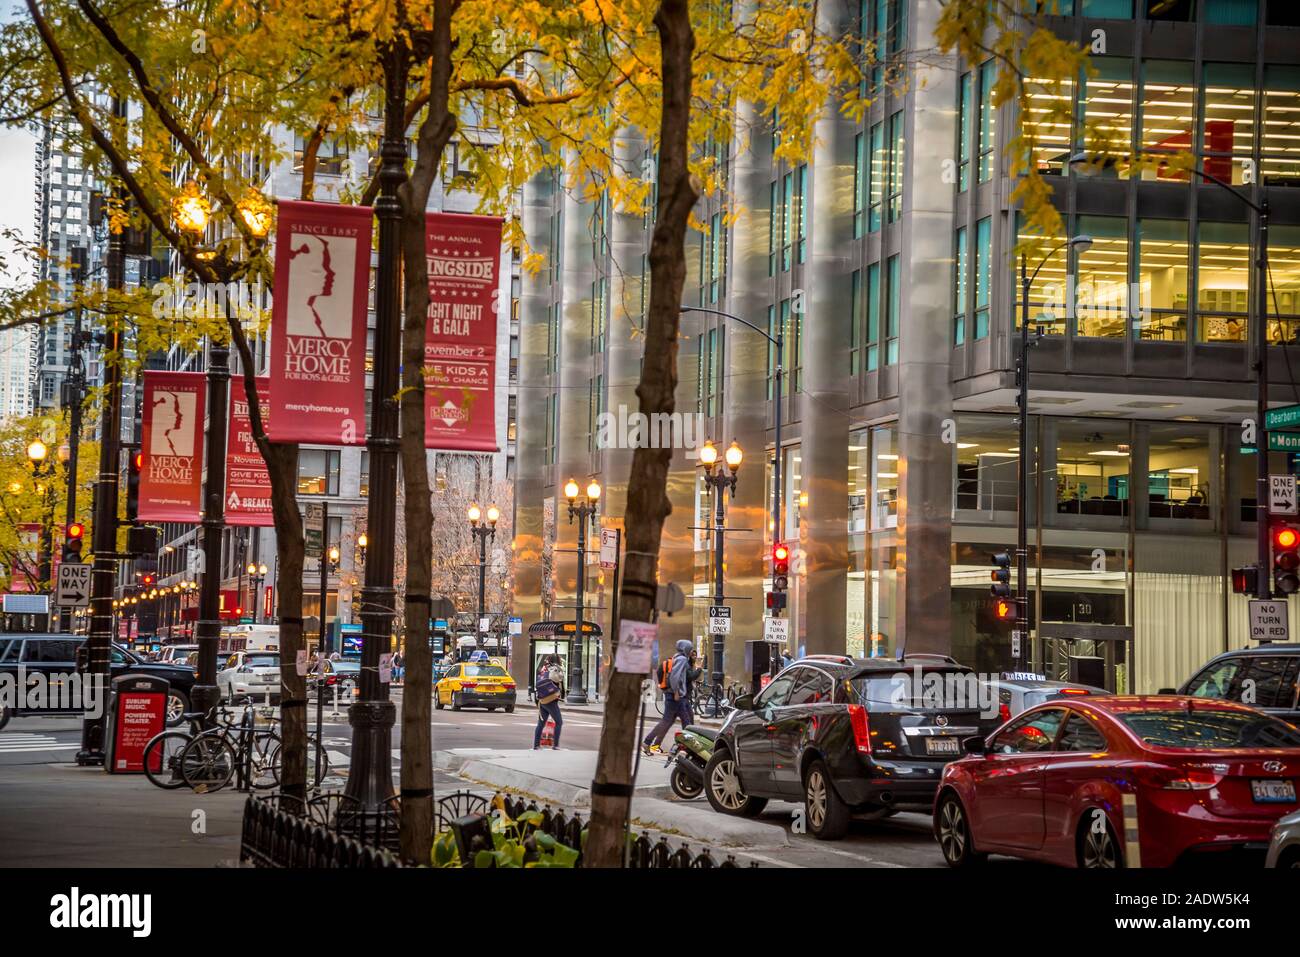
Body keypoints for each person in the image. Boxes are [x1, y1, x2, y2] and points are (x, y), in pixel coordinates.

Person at [643, 640, 698, 754]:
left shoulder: (677, 657)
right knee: (686, 722)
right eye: (689, 648)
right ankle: (690, 748)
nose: (691, 650)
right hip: (676, 697)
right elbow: (675, 676)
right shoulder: (682, 659)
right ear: (685, 648)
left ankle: (649, 742)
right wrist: (677, 692)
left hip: (674, 696)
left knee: (669, 721)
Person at [533, 655, 563, 750]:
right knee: (559, 722)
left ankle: (536, 745)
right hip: (551, 699)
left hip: (542, 699)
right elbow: (559, 680)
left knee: (541, 723)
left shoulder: (543, 668)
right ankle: (556, 745)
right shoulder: (555, 669)